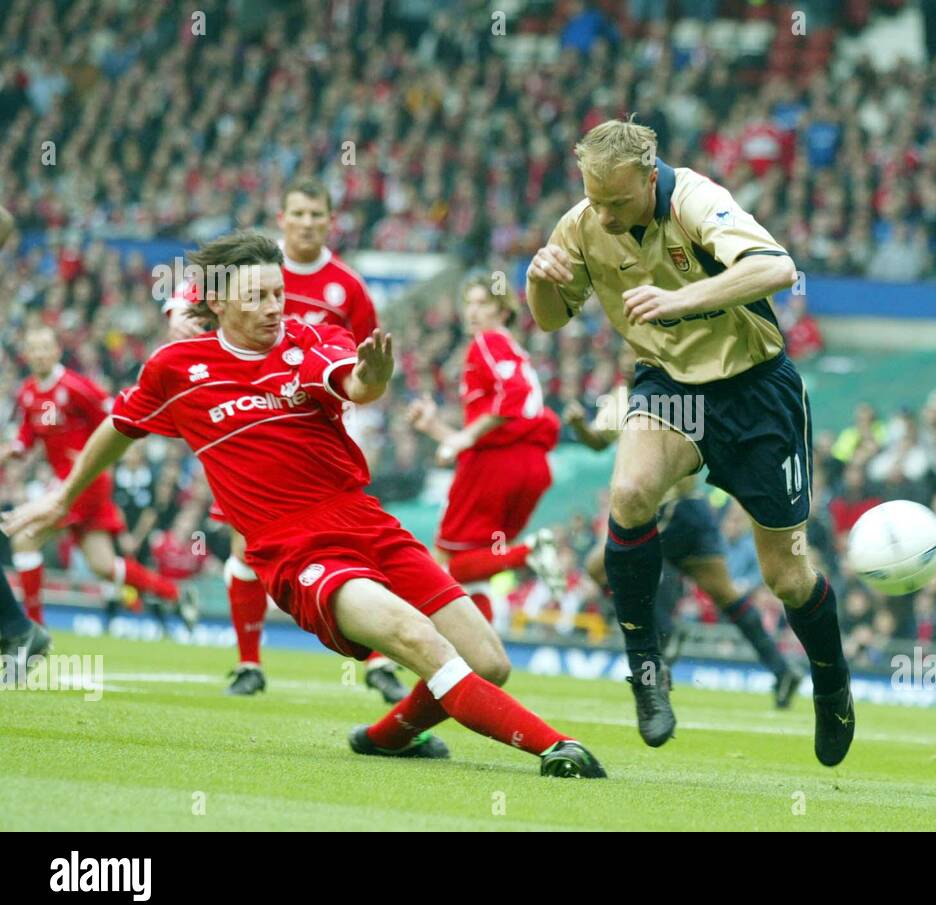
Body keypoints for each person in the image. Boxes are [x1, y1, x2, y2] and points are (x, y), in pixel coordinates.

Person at [3, 230, 604, 778]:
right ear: (218, 303)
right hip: (294, 550)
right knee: (417, 638)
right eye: (258, 296)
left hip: (363, 519)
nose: (274, 307)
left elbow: (353, 382)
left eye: (278, 293)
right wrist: (63, 497)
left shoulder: (312, 340)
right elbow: (119, 424)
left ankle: (386, 737)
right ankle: (554, 748)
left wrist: (374, 377)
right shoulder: (177, 370)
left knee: (489, 661)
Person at [525, 117, 853, 766]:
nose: (606, 214)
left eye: (619, 201)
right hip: (670, 387)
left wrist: (682, 299)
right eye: (595, 199)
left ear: (650, 179)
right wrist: (539, 279)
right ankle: (646, 670)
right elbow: (550, 317)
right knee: (631, 492)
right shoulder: (584, 221)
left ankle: (831, 680)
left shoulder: (696, 198)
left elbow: (777, 268)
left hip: (757, 392)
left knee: (785, 576)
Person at [164, 177, 397, 700]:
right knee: (246, 545)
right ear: (283, 216)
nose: (308, 223)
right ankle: (250, 663)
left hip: (322, 435)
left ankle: (382, 656)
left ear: (330, 220)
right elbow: (187, 295)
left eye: (318, 214)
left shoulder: (348, 286)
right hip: (249, 429)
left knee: (356, 540)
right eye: (299, 213)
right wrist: (179, 315)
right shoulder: (253, 265)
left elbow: (365, 364)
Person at [565, 347, 804, 709]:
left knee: (604, 567)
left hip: (673, 511)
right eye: (625, 352)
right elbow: (599, 441)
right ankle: (781, 668)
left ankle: (667, 630)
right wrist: (580, 426)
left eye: (636, 352)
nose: (629, 358)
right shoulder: (619, 397)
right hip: (686, 513)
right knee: (725, 594)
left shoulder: (671, 392)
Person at [1, 328, 197, 630]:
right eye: (33, 349)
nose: (39, 354)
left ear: (56, 351)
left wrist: (95, 452)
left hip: (85, 480)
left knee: (25, 541)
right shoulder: (28, 392)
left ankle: (32, 630)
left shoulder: (75, 386)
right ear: (26, 354)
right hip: (70, 482)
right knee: (104, 566)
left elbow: (113, 415)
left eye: (45, 348)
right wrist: (12, 450)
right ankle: (174, 594)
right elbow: (28, 436)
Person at [405, 272, 566, 623]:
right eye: (470, 303)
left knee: (446, 564)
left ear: (503, 310)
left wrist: (464, 437)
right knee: (479, 565)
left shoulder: (487, 342)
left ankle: (528, 553)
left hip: (496, 468)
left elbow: (515, 396)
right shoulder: (512, 348)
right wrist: (435, 427)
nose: (474, 312)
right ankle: (480, 662)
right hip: (531, 466)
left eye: (484, 304)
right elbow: (498, 425)